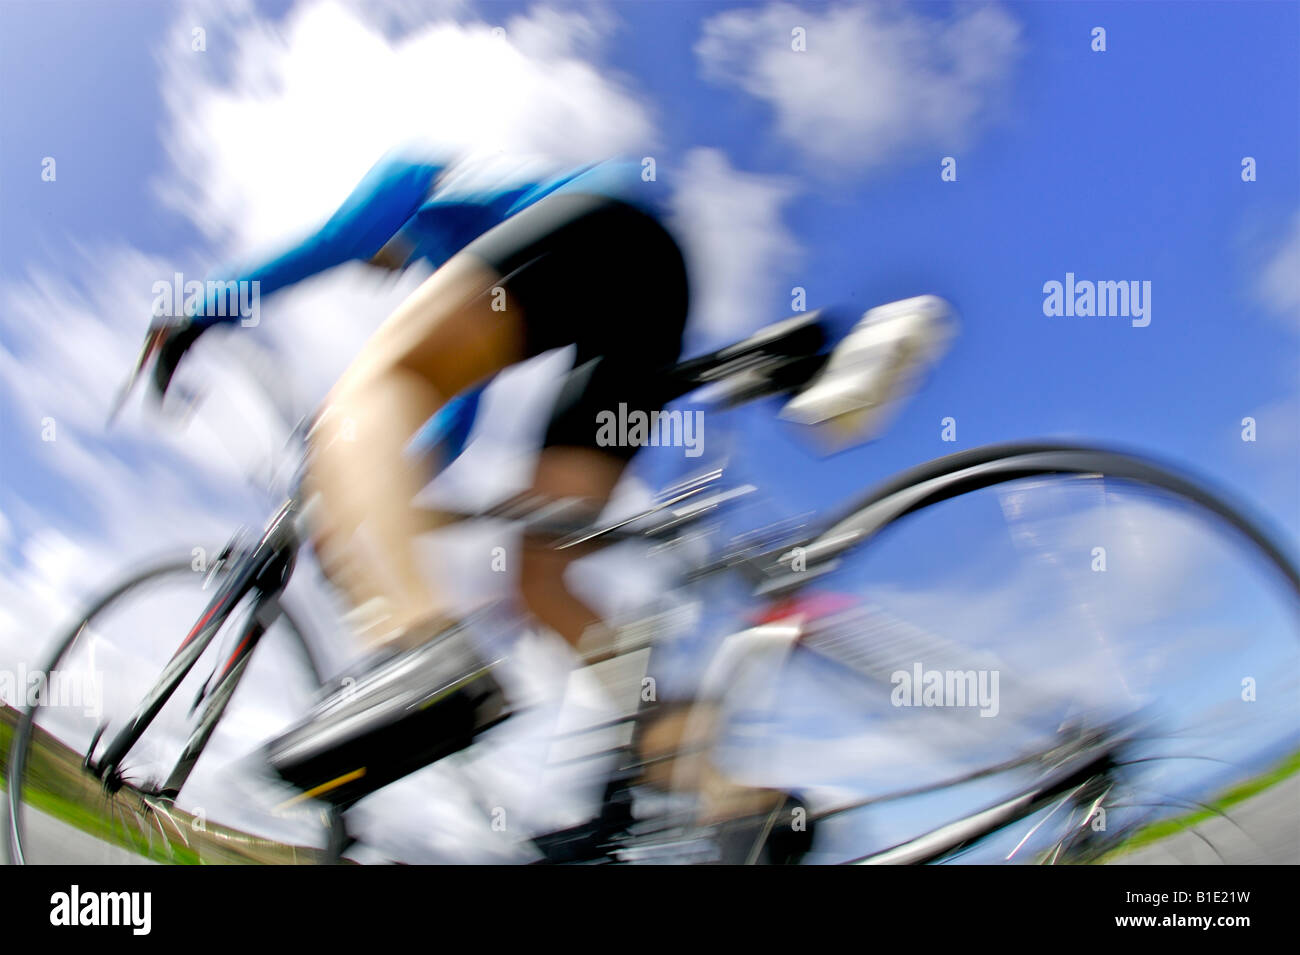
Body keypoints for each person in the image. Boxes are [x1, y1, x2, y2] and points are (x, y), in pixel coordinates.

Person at [155, 148, 686, 656]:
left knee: (357, 407)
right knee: (540, 581)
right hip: (656, 291)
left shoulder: (414, 180)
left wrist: (196, 314)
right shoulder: (471, 261)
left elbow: (332, 240)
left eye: (372, 261)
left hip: (604, 225)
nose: (374, 271)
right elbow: (457, 420)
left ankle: (423, 647)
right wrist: (372, 488)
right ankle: (670, 734)